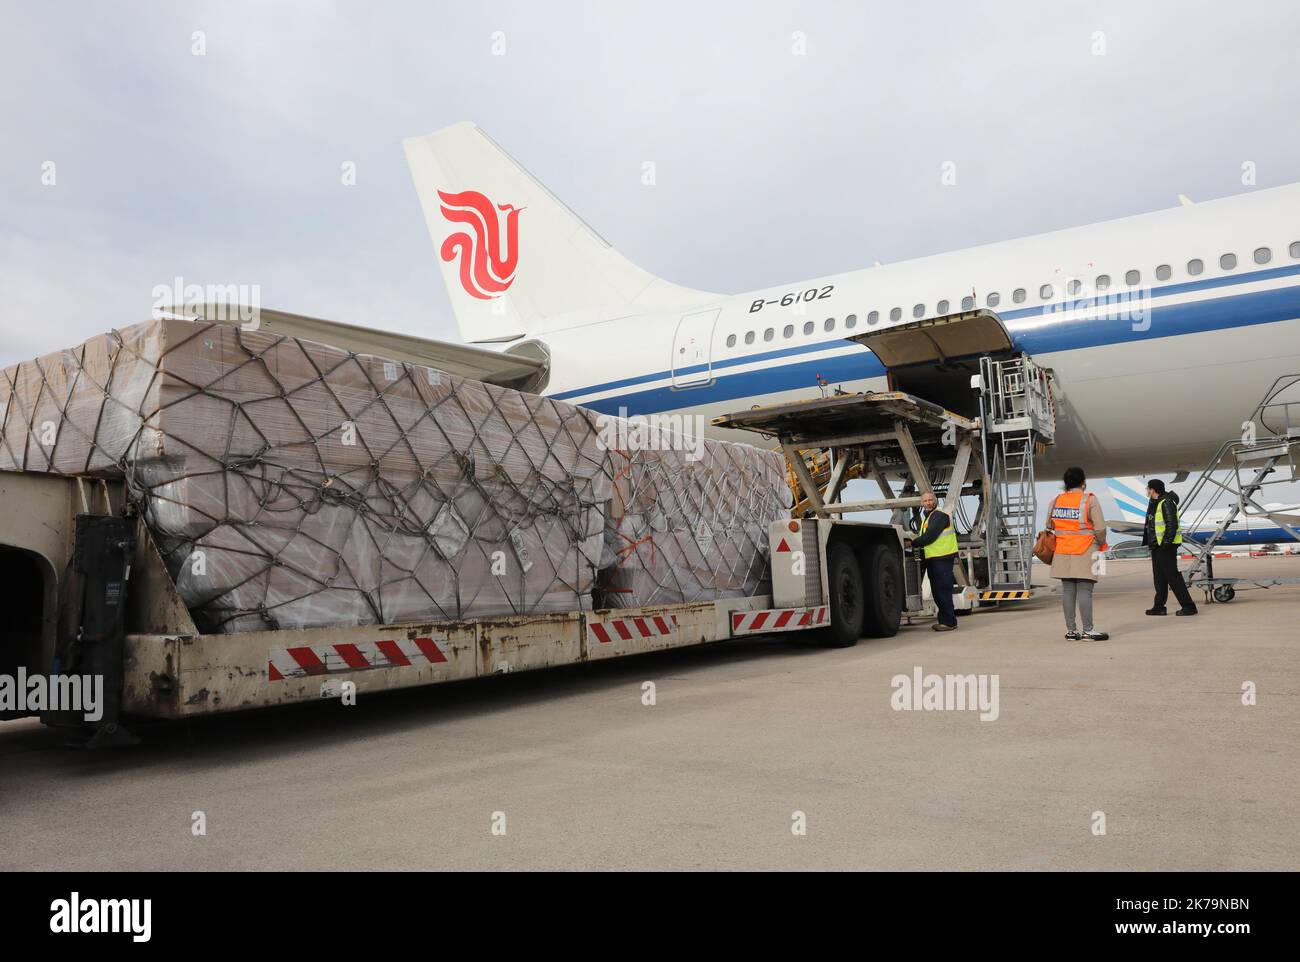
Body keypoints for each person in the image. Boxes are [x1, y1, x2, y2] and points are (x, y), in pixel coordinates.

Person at [1045, 466, 1109, 640]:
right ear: (1084, 483)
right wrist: (1101, 543)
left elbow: (1049, 525)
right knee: (1085, 591)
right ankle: (1088, 630)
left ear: (1066, 483)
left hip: (1063, 551)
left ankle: (1071, 631)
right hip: (1086, 550)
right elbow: (1100, 528)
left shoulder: (1056, 500)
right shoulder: (1089, 500)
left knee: (1068, 592)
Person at [1143, 478, 1198, 616]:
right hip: (1157, 547)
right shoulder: (1154, 503)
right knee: (1159, 578)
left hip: (1165, 547)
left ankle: (1189, 606)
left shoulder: (1166, 502)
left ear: (1152, 489)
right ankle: (1159, 607)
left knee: (1173, 577)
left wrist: (1165, 544)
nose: (1146, 491)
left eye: (1147, 488)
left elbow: (1171, 525)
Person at [913, 490, 959, 632]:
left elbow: (930, 537)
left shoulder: (939, 515)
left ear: (935, 501)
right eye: (925, 501)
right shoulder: (928, 518)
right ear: (922, 503)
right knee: (938, 591)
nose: (928, 503)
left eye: (930, 500)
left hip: (942, 559)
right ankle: (945, 621)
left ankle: (949, 622)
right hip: (934, 559)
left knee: (942, 590)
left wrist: (912, 543)